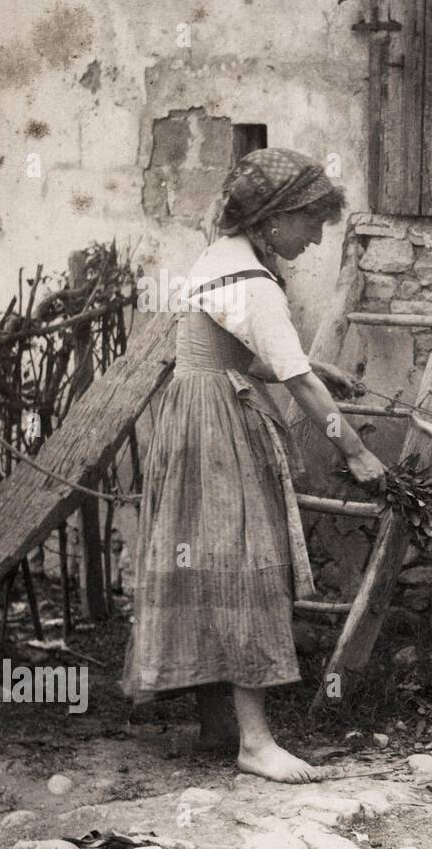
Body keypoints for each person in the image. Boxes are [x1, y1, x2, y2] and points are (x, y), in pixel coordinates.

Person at [123, 148, 387, 782]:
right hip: (219, 430)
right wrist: (355, 450)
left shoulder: (220, 260)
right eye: (311, 224)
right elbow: (293, 381)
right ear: (275, 219)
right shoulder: (253, 282)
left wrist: (313, 367)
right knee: (247, 563)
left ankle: (219, 724)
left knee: (206, 566)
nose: (317, 238)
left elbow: (238, 355)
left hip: (189, 417)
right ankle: (256, 742)